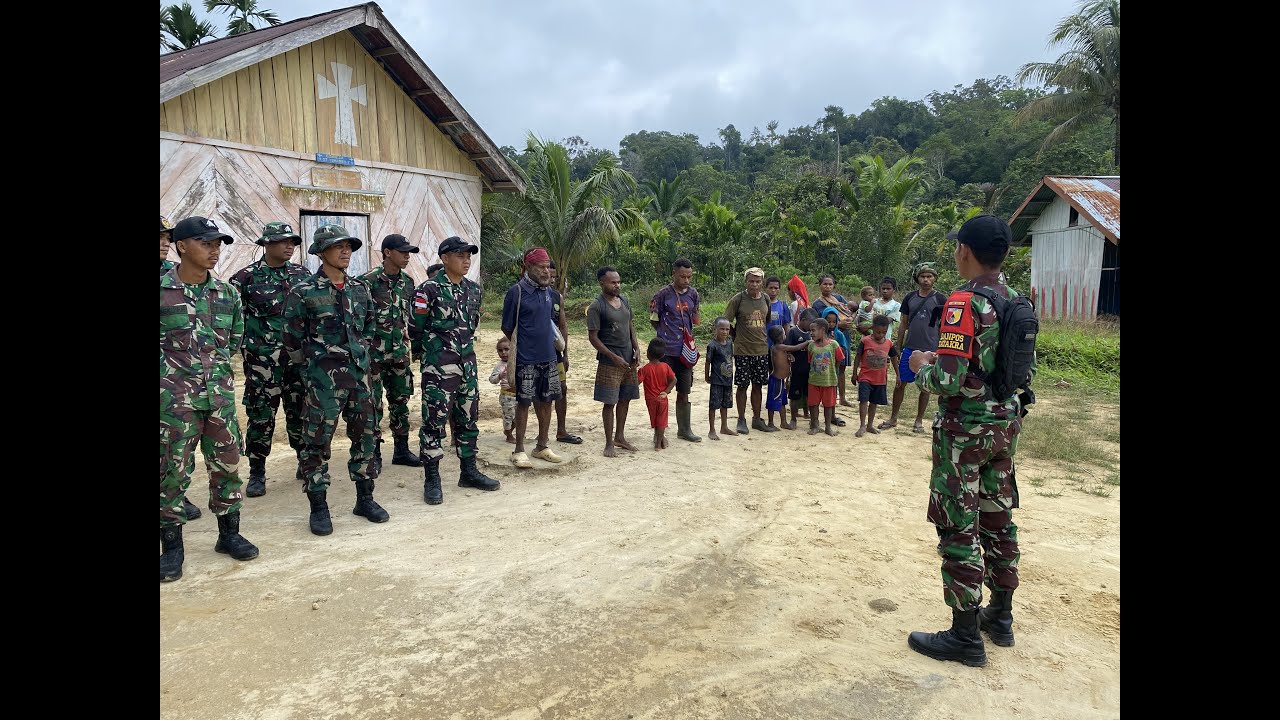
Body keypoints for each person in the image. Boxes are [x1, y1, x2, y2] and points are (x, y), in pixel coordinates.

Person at [906, 214, 1033, 668]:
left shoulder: (963, 304)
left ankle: (964, 635)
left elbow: (948, 377)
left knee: (958, 523)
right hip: (1005, 426)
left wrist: (921, 364)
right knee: (998, 518)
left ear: (964, 250)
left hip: (965, 434)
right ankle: (1000, 616)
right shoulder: (1016, 299)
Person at [160, 216, 259, 582]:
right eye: (205, 242)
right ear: (182, 246)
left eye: (218, 243)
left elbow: (232, 343)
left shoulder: (228, 294)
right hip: (172, 406)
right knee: (171, 473)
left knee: (228, 469)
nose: (214, 249)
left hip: (218, 400)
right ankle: (172, 548)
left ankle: (228, 535)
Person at [283, 224, 389, 535]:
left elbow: (369, 328)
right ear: (320, 252)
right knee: (315, 443)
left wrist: (362, 356)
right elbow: (291, 339)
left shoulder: (360, 288)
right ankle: (319, 506)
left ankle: (365, 499)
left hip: (359, 379)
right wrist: (313, 370)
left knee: (366, 436)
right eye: (337, 246)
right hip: (323, 382)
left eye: (349, 246)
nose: (345, 251)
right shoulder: (303, 292)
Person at [412, 236, 499, 505]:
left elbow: (471, 326)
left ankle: (468, 471)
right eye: (460, 255)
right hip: (438, 367)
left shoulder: (474, 290)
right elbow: (415, 328)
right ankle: (432, 478)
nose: (466, 260)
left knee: (468, 418)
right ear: (445, 258)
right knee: (434, 421)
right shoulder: (428, 290)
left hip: (467, 365)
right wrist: (430, 356)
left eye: (468, 255)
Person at [229, 222, 310, 498]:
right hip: (262, 366)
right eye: (283, 241)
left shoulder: (303, 275)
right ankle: (257, 472)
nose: (289, 246)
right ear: (266, 244)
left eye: (293, 242)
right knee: (261, 418)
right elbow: (231, 320)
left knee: (300, 414)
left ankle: (305, 463)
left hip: (297, 362)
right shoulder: (244, 279)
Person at [360, 234, 423, 473]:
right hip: (373, 355)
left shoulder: (408, 282)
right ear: (387, 252)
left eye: (409, 252)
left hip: (398, 354)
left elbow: (409, 318)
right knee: (372, 405)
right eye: (403, 251)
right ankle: (373, 453)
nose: (407, 256)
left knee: (400, 402)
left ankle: (401, 450)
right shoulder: (367, 282)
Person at [501, 248, 564, 468]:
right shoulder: (516, 292)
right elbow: (507, 327)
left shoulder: (548, 292)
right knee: (524, 403)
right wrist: (526, 346)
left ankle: (542, 446)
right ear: (528, 267)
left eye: (548, 267)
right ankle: (518, 450)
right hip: (526, 359)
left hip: (548, 357)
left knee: (547, 401)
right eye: (542, 267)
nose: (547, 271)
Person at [160, 214, 204, 520]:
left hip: (173, 381)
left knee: (173, 444)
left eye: (165, 238)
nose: (163, 243)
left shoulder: (172, 274)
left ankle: (176, 495)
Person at [882, 263, 947, 433]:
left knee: (926, 387)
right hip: (910, 348)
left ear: (935, 278)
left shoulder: (941, 299)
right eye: (923, 276)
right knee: (900, 384)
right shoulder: (910, 297)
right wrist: (898, 345)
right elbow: (903, 322)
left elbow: (945, 326)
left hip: (931, 350)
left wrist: (942, 349)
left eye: (929, 276)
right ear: (917, 278)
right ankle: (893, 418)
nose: (926, 280)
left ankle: (918, 421)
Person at [587, 266, 640, 458]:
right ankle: (609, 443)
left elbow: (630, 325)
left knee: (625, 399)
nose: (617, 285)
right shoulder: (596, 306)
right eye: (613, 282)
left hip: (628, 360)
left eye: (618, 282)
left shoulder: (624, 300)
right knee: (610, 402)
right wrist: (612, 356)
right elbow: (593, 338)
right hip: (610, 362)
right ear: (602, 283)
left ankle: (620, 437)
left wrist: (636, 348)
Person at [649, 259, 702, 442]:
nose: (686, 280)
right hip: (666, 350)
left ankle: (684, 430)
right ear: (674, 274)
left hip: (685, 351)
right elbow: (654, 320)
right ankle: (658, 433)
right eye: (682, 276)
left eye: (689, 277)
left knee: (684, 390)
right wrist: (666, 334)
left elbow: (695, 319)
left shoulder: (694, 294)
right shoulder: (663, 294)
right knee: (661, 391)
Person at [727, 267, 772, 434]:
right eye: (751, 281)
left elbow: (766, 320)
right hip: (742, 350)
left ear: (762, 283)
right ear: (746, 282)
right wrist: (736, 336)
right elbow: (725, 321)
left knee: (758, 386)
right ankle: (741, 419)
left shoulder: (766, 299)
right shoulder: (738, 299)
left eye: (758, 281)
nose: (754, 284)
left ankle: (756, 419)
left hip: (761, 350)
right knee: (742, 386)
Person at [548, 261, 583, 445]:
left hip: (556, 353)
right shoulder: (525, 294)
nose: (551, 279)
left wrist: (566, 353)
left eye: (554, 276)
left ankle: (561, 430)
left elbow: (563, 326)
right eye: (549, 275)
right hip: (534, 352)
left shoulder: (557, 297)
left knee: (561, 388)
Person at [853, 315, 899, 437]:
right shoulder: (865, 341)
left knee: (874, 403)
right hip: (865, 377)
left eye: (884, 332)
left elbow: (894, 358)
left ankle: (869, 425)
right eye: (878, 332)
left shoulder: (889, 343)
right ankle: (862, 425)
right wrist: (854, 373)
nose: (881, 335)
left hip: (879, 379)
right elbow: (858, 356)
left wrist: (898, 375)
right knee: (863, 401)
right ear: (872, 328)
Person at [805, 315, 844, 436]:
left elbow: (839, 359)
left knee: (828, 404)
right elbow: (810, 361)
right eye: (810, 331)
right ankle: (815, 425)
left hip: (829, 381)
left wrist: (833, 371)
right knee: (813, 404)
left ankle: (828, 427)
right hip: (814, 381)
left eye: (813, 330)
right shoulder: (811, 346)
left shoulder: (834, 345)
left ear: (822, 330)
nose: (811, 333)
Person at [766, 325, 809, 430]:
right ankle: (771, 423)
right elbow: (796, 348)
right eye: (784, 333)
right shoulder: (779, 347)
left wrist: (789, 357)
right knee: (773, 402)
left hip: (781, 381)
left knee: (782, 403)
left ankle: (783, 422)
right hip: (776, 380)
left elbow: (787, 355)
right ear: (780, 337)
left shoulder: (780, 348)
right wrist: (808, 342)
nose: (786, 335)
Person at [636, 339, 676, 450]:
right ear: (663, 355)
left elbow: (637, 382)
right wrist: (666, 391)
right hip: (663, 398)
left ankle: (658, 441)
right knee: (662, 421)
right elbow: (674, 380)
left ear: (647, 353)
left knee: (654, 420)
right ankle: (659, 443)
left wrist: (635, 369)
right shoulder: (665, 366)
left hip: (650, 400)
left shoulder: (645, 369)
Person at [704, 317, 737, 440]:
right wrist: (707, 376)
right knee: (713, 405)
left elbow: (730, 358)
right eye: (722, 329)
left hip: (728, 380)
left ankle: (724, 426)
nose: (725, 332)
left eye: (727, 329)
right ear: (716, 329)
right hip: (717, 380)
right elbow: (708, 362)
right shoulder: (712, 345)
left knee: (725, 404)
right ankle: (712, 429)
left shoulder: (729, 343)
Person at [785, 310, 816, 429]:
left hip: (810, 371)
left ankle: (808, 414)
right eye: (811, 323)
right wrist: (789, 354)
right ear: (803, 321)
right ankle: (793, 419)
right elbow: (787, 348)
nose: (812, 327)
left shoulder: (812, 334)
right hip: (797, 370)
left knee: (809, 394)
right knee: (794, 395)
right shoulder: (793, 332)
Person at [822, 307, 854, 412]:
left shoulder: (839, 334)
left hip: (834, 364)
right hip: (822, 364)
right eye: (828, 321)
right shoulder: (820, 333)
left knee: (832, 384)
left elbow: (843, 349)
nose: (831, 324)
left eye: (834, 322)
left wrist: (837, 362)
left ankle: (833, 404)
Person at [488, 338, 518, 444]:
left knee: (518, 417)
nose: (503, 353)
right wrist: (500, 376)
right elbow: (492, 379)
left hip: (518, 395)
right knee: (508, 417)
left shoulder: (517, 362)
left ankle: (508, 431)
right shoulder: (499, 366)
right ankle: (509, 435)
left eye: (506, 349)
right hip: (507, 396)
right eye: (500, 350)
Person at [872, 276, 902, 342]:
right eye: (883, 288)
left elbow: (886, 322)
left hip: (884, 339)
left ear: (893, 290)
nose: (885, 291)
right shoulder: (873, 302)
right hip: (869, 337)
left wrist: (868, 326)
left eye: (888, 289)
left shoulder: (896, 305)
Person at [765, 276, 793, 345]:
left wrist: (787, 343)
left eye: (776, 288)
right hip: (763, 344)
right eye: (771, 288)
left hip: (778, 345)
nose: (773, 290)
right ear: (766, 288)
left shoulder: (783, 305)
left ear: (779, 289)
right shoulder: (761, 305)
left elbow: (786, 326)